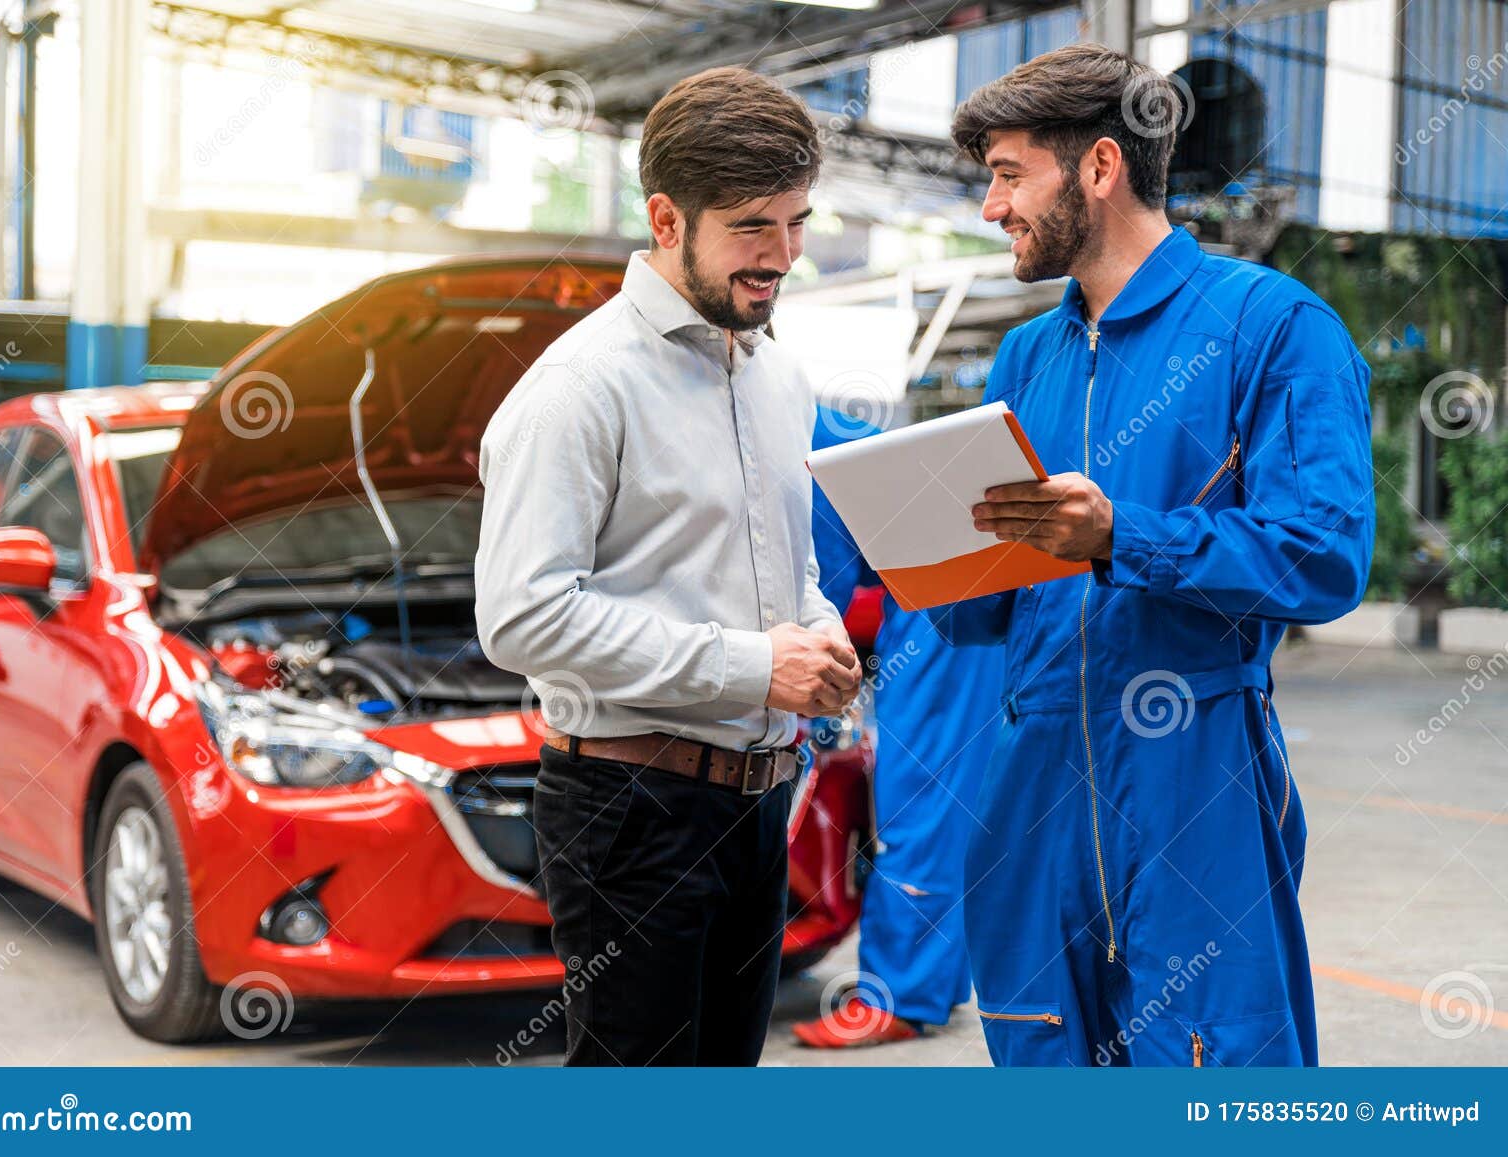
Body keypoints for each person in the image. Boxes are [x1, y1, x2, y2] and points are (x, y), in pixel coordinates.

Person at [935, 44, 1373, 1067]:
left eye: (1006, 175)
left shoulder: (1269, 326)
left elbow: (1321, 555)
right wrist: (930, 558)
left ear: (1097, 166)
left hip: (1193, 766)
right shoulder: (1025, 356)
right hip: (1031, 772)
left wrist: (1119, 535)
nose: (991, 208)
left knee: (1219, 1067)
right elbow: (982, 608)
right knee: (1041, 1061)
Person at [474, 67, 862, 1067]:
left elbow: (792, 571)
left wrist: (818, 638)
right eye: (750, 227)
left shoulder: (775, 373)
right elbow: (520, 616)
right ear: (664, 217)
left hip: (757, 797)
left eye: (795, 221)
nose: (781, 255)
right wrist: (748, 666)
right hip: (629, 812)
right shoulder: (579, 387)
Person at [793, 408, 1005, 1048]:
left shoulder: (781, 427)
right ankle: (934, 981)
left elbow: (812, 586)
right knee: (953, 794)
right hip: (956, 577)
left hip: (945, 593)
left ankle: (901, 996)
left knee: (920, 793)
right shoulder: (789, 404)